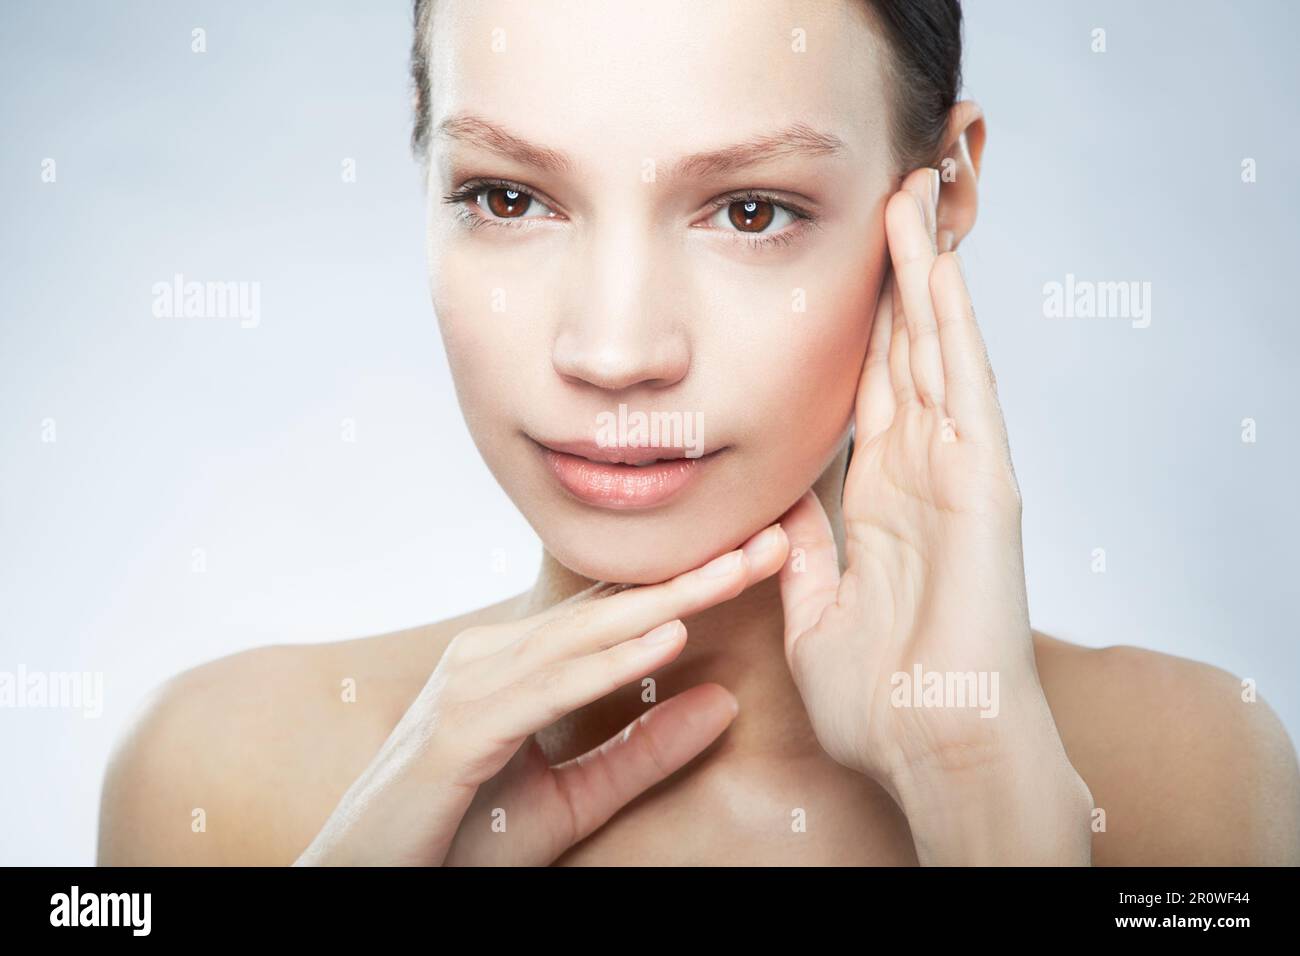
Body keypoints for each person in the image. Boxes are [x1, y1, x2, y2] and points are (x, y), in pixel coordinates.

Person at [97, 0, 1300, 866]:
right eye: (507, 197)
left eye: (748, 209)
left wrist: (985, 802)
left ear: (940, 198)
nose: (616, 352)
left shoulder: (1186, 777)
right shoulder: (216, 781)